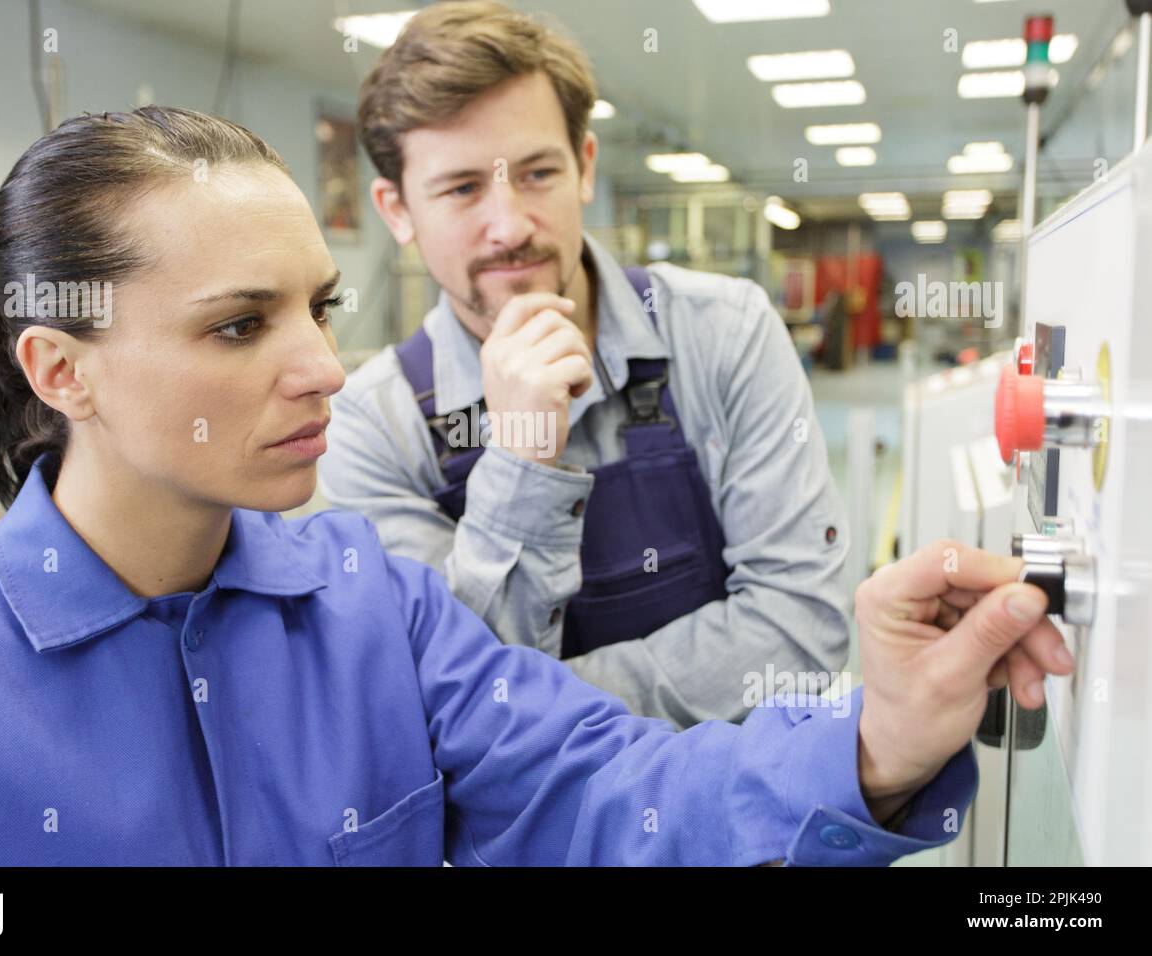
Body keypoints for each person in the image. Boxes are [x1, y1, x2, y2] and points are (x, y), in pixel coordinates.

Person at [0, 107, 1072, 866]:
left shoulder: (376, 611)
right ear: (62, 368)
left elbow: (614, 784)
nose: (324, 367)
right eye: (239, 327)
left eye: (319, 309)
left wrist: (877, 740)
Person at [319, 0, 851, 727]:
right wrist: (519, 461)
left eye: (537, 173)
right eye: (462, 188)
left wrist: (539, 713)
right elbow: (436, 703)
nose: (509, 226)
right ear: (396, 209)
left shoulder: (724, 332)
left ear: (585, 166)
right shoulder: (369, 431)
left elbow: (801, 631)